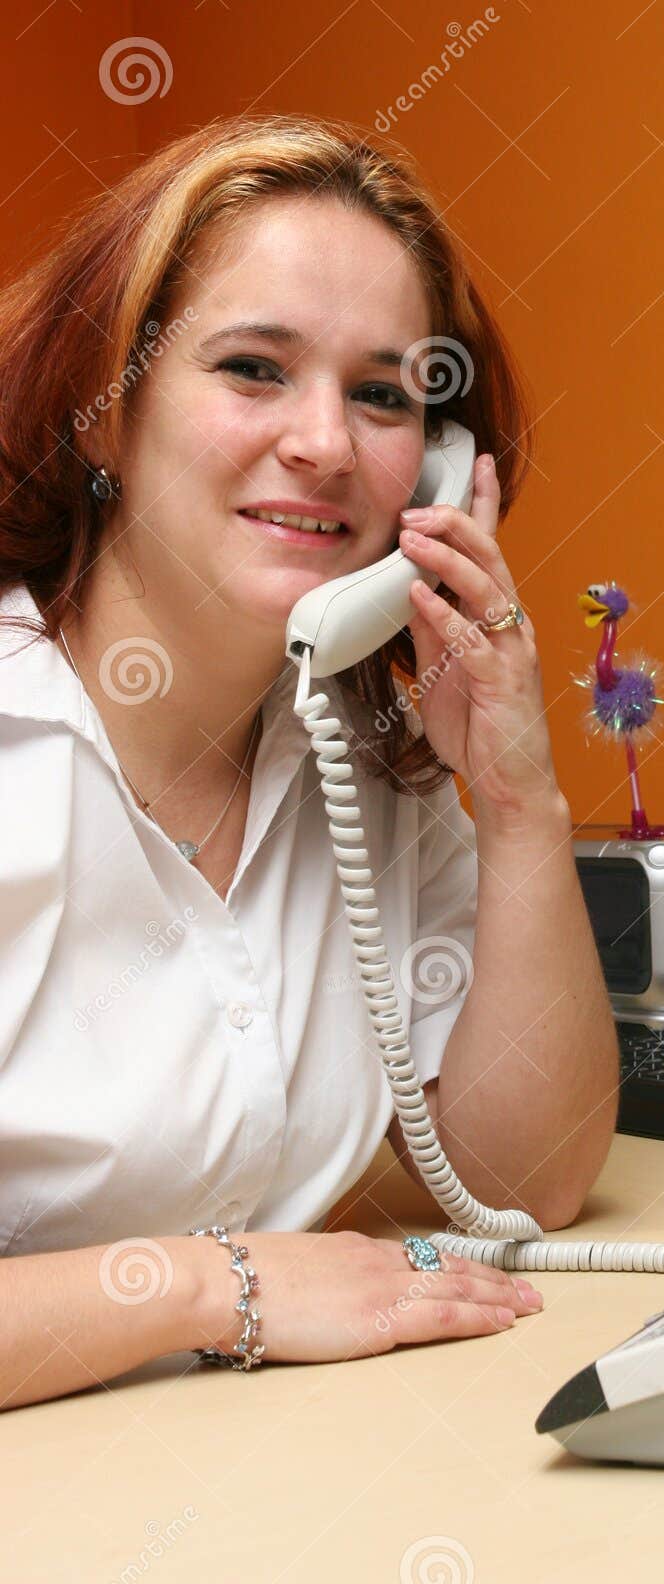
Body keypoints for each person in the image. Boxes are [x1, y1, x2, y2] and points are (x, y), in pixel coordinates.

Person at [0, 113, 617, 1411]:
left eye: (384, 394)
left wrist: (516, 800)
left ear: (436, 473)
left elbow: (530, 1178)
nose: (327, 444)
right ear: (103, 414)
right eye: (253, 368)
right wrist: (213, 1288)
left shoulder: (361, 761)